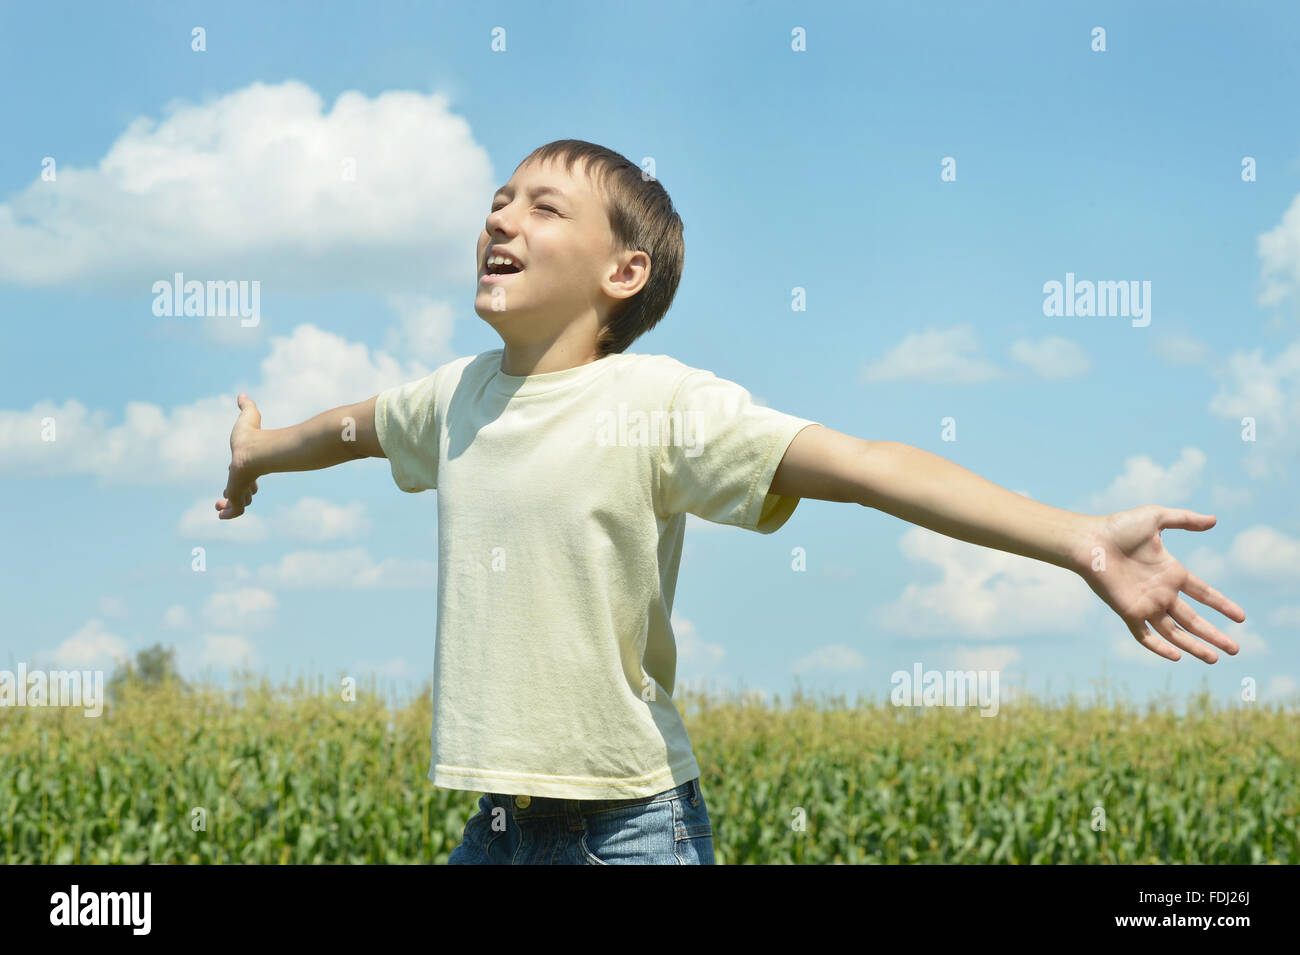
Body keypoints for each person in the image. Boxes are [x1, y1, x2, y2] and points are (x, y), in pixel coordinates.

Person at [215, 139, 1247, 865]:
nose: (500, 216)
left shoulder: (659, 404)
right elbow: (347, 430)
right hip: (498, 825)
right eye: (498, 197)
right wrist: (259, 452)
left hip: (626, 832)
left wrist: (1076, 538)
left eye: (542, 205)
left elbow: (867, 463)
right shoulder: (453, 397)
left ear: (623, 272)